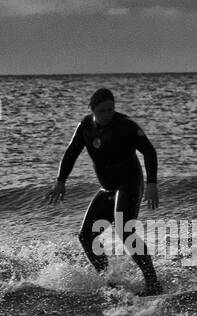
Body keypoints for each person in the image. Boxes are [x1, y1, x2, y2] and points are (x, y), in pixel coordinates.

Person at [45, 88, 162, 295]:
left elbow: (149, 151)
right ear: (93, 110)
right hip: (108, 188)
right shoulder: (85, 127)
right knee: (85, 236)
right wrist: (60, 181)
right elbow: (71, 152)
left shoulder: (126, 126)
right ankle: (110, 282)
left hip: (130, 184)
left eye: (111, 109)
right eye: (103, 111)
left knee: (125, 231)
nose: (108, 114)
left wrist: (152, 184)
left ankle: (153, 284)